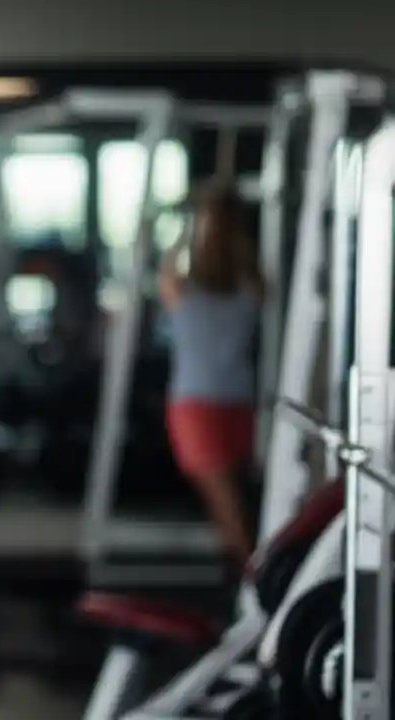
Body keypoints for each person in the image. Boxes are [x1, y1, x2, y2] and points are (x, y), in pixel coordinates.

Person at [158, 182, 263, 572]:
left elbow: (168, 265)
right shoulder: (247, 291)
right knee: (232, 509)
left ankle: (257, 586)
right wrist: (213, 219)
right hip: (220, 407)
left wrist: (193, 222)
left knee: (233, 511)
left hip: (215, 407)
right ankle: (254, 585)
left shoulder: (194, 293)